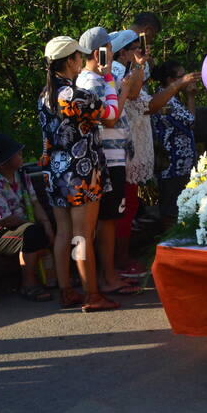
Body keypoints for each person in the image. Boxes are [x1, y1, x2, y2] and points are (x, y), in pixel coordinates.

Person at [38, 36, 118, 312]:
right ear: (70, 61)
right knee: (83, 235)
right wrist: (108, 81)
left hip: (55, 171)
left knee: (64, 233)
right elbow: (111, 115)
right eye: (77, 57)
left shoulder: (44, 95)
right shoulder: (75, 95)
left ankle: (66, 291)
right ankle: (92, 294)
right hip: (81, 173)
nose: (80, 61)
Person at [74, 27, 143, 297]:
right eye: (109, 49)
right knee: (107, 219)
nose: (113, 54)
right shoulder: (91, 82)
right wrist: (121, 88)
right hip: (105, 156)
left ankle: (107, 275)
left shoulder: (99, 79)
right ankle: (107, 276)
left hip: (113, 156)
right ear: (98, 53)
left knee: (111, 218)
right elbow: (110, 117)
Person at [0, 133, 54, 301]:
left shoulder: (21, 175)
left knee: (52, 226)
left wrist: (47, 224)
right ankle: (28, 284)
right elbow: (6, 219)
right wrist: (36, 227)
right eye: (17, 154)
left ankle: (54, 276)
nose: (21, 155)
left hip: (22, 225)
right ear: (2, 163)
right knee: (33, 233)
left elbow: (35, 202)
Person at [110, 29, 152, 279]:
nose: (139, 51)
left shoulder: (126, 69)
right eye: (134, 47)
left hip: (126, 145)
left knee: (129, 203)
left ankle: (122, 258)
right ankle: (120, 260)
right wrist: (139, 67)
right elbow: (133, 94)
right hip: (117, 148)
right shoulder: (116, 70)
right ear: (122, 52)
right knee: (123, 205)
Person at [153, 60, 202, 223]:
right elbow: (191, 122)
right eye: (182, 76)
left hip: (179, 164)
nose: (187, 80)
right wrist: (191, 97)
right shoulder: (166, 100)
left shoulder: (171, 98)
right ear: (170, 80)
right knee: (171, 209)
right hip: (173, 164)